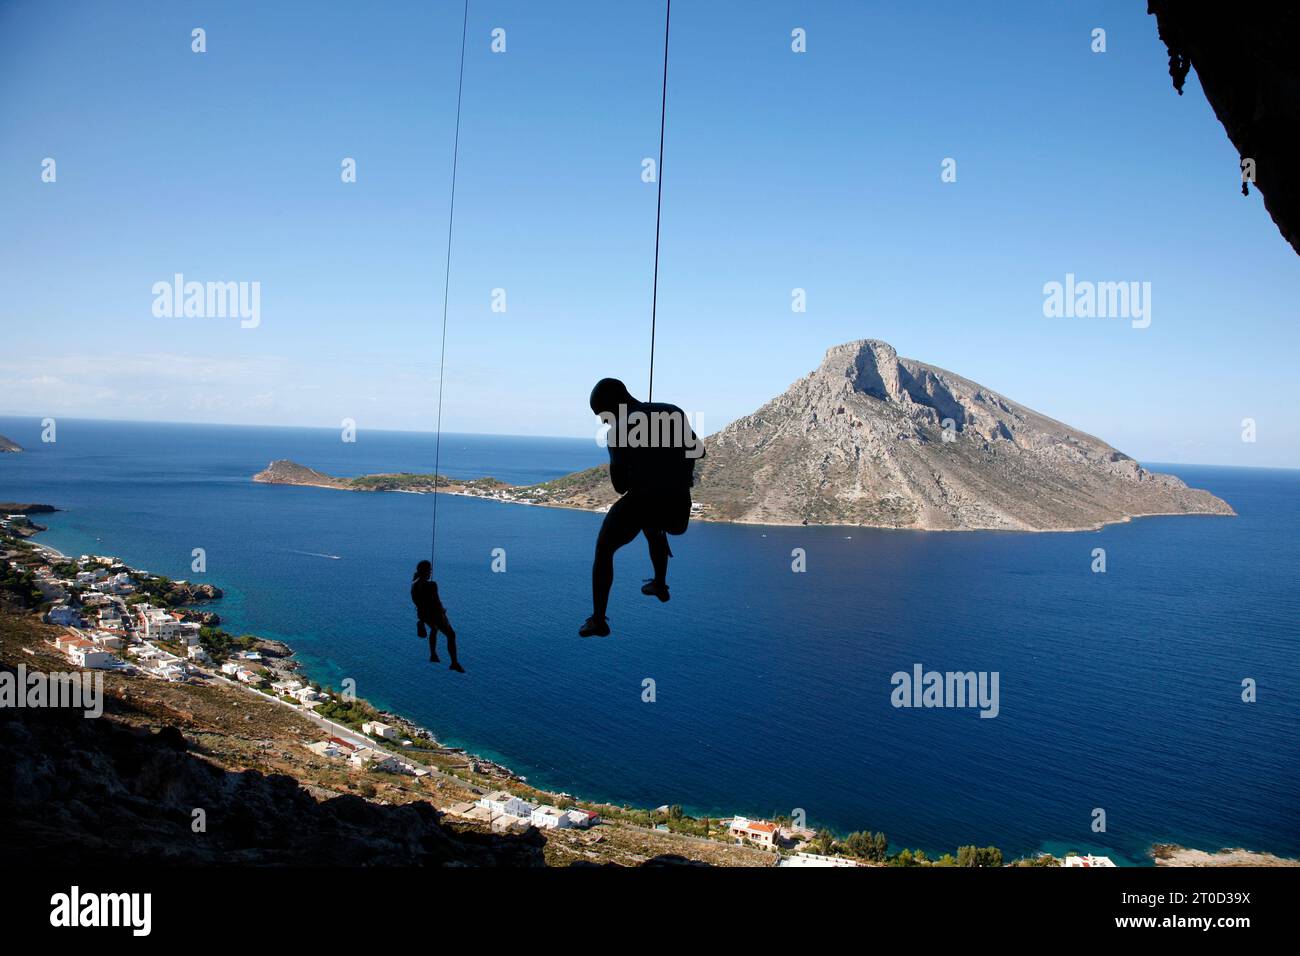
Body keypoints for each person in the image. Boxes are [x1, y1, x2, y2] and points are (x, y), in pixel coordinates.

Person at [579, 377, 703, 637]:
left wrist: (624, 460)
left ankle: (599, 620)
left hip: (644, 504)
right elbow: (698, 450)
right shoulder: (671, 411)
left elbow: (620, 487)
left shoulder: (618, 431)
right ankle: (659, 583)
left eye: (602, 414)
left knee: (604, 549)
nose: (602, 421)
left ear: (612, 403)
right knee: (653, 524)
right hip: (678, 507)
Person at [411, 560, 463, 671]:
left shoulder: (414, 585)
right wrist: (443, 612)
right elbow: (437, 602)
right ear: (425, 571)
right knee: (451, 635)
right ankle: (454, 663)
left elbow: (416, 601)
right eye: (429, 570)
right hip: (435, 615)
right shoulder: (432, 585)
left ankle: (433, 654)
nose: (430, 572)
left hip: (423, 615)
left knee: (434, 629)